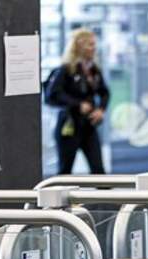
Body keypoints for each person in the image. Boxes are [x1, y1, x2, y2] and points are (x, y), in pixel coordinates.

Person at [44, 28, 109, 174]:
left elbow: (104, 92)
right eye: (90, 45)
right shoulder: (65, 70)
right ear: (79, 46)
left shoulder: (93, 70)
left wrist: (101, 109)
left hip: (89, 125)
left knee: (98, 169)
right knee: (65, 170)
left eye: (94, 44)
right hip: (69, 126)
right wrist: (77, 105)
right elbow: (52, 95)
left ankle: (105, 195)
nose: (94, 48)